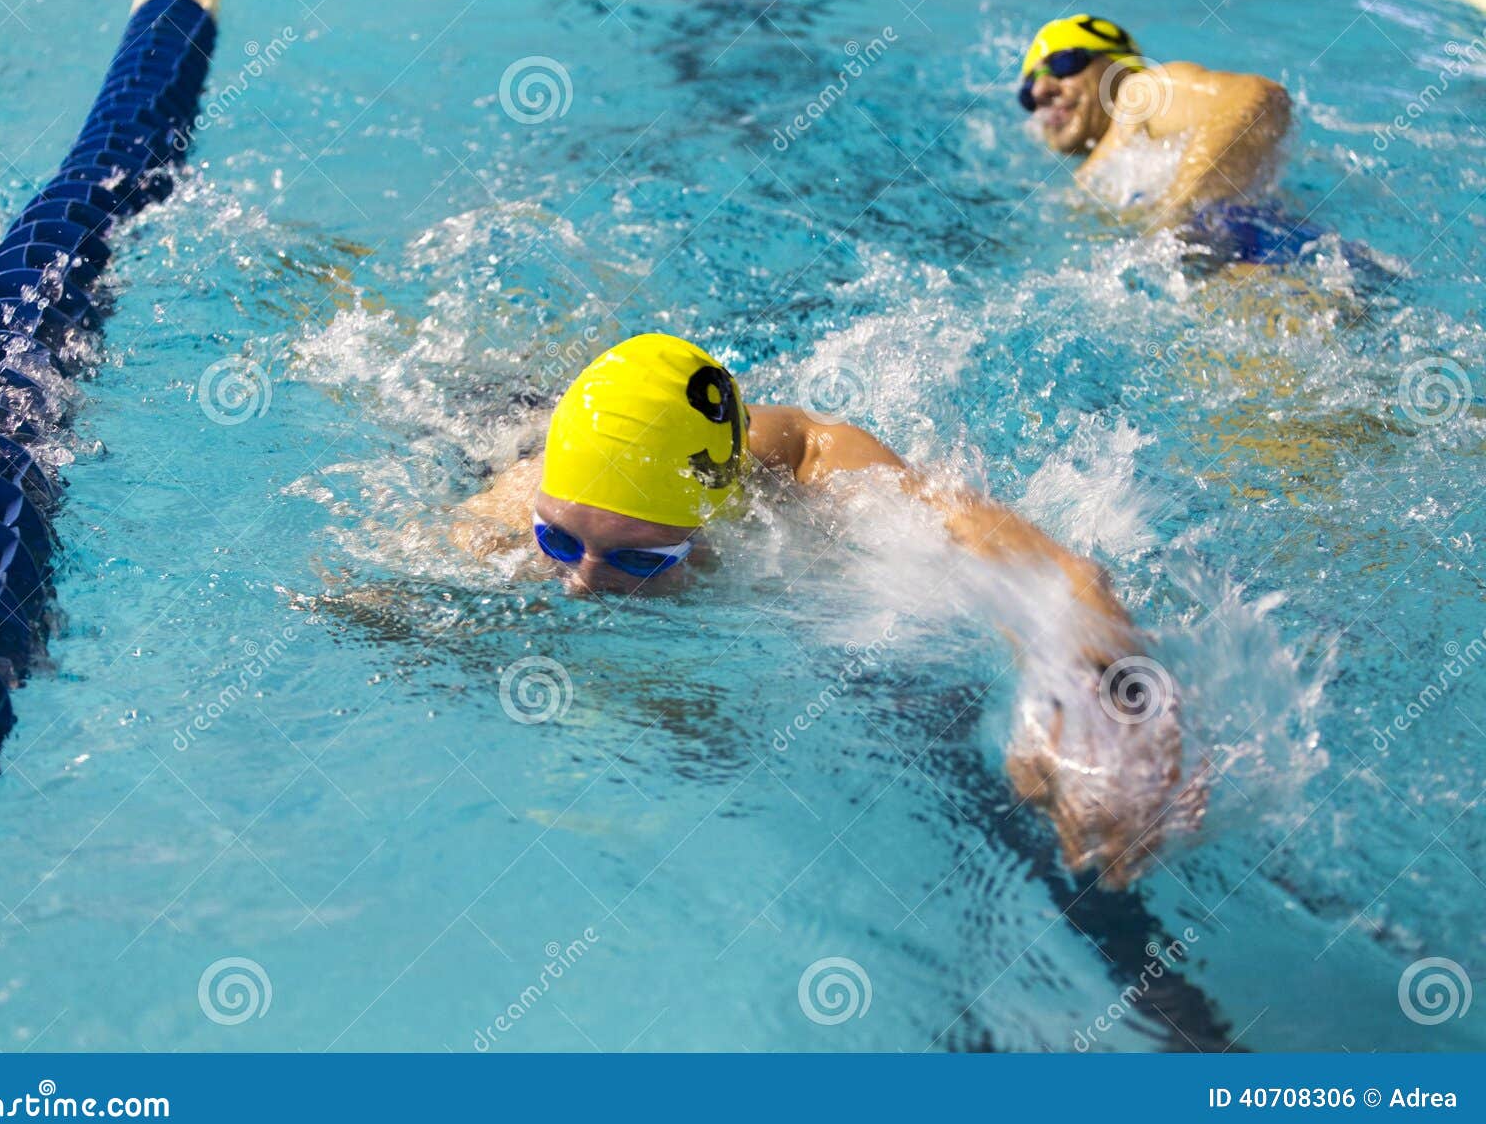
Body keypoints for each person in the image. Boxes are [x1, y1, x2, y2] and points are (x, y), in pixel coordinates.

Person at [452, 333, 1204, 886]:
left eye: (640, 559)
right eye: (559, 540)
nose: (582, 584)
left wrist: (1098, 700)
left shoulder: (817, 469)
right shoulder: (517, 499)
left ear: (716, 517)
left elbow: (1052, 570)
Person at [1018, 13, 1299, 255]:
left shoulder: (1138, 97)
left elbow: (1257, 98)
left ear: (1120, 67)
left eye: (1064, 63)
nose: (1040, 90)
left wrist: (1178, 218)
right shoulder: (1090, 173)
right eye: (1028, 87)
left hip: (1258, 257)